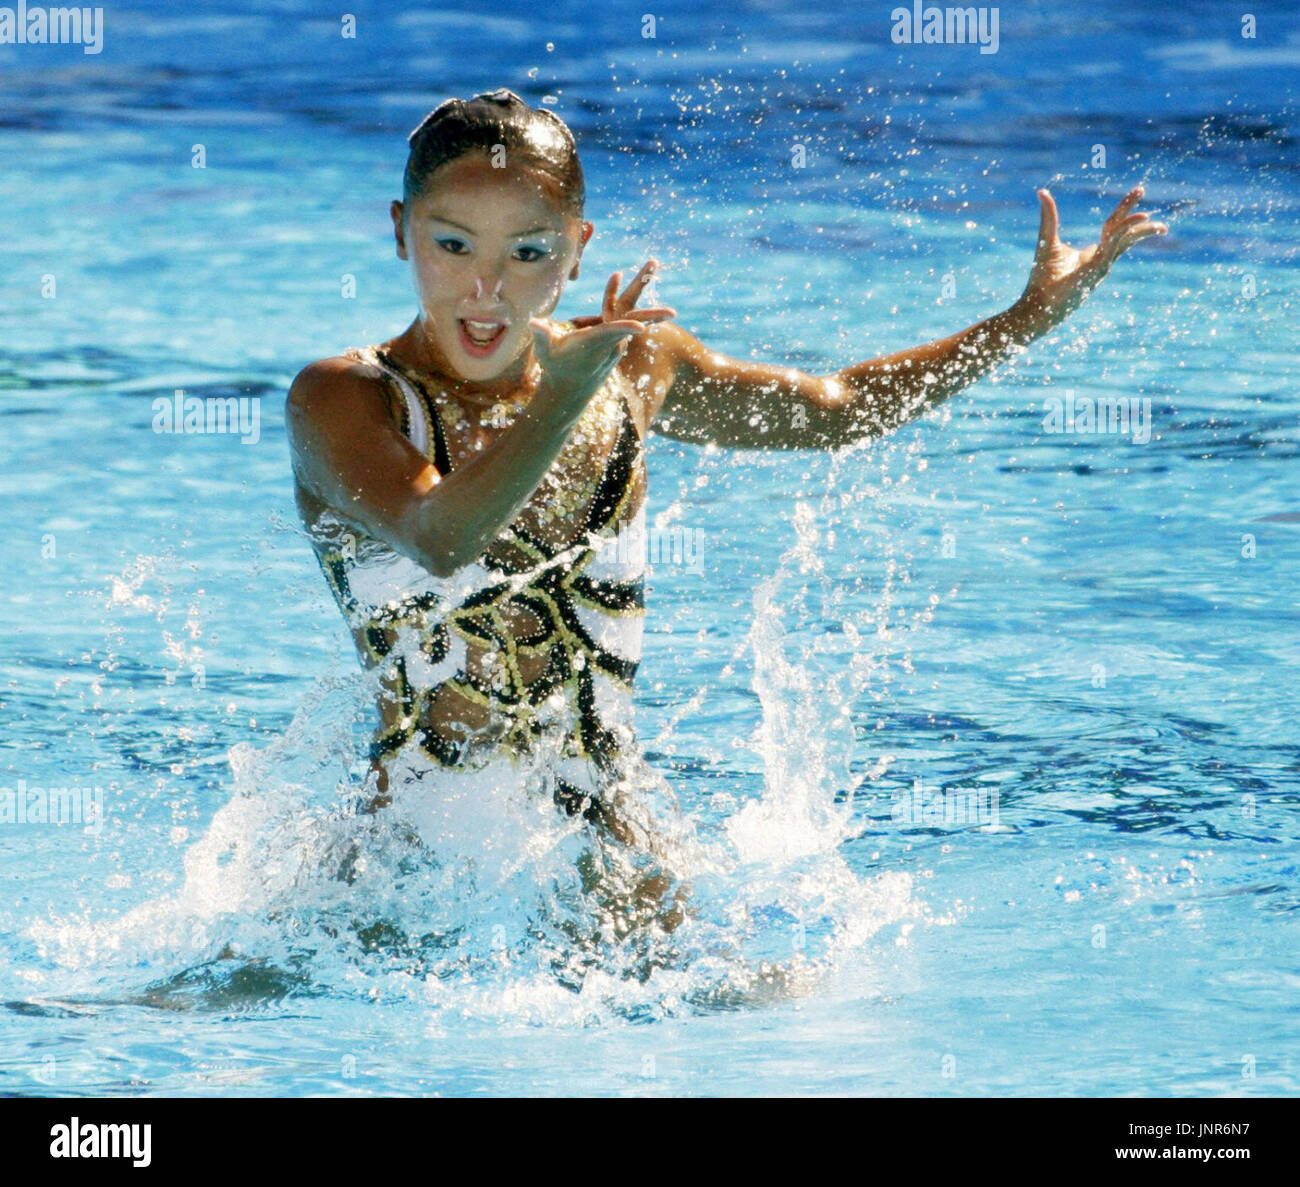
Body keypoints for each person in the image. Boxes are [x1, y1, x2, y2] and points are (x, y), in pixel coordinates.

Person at [285, 87, 1166, 935]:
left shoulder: (629, 368)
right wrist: (560, 399)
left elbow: (836, 410)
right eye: (453, 245)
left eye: (528, 252)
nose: (488, 290)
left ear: (578, 248)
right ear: (401, 233)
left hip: (613, 845)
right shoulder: (346, 402)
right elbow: (442, 538)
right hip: (404, 874)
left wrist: (1023, 321)